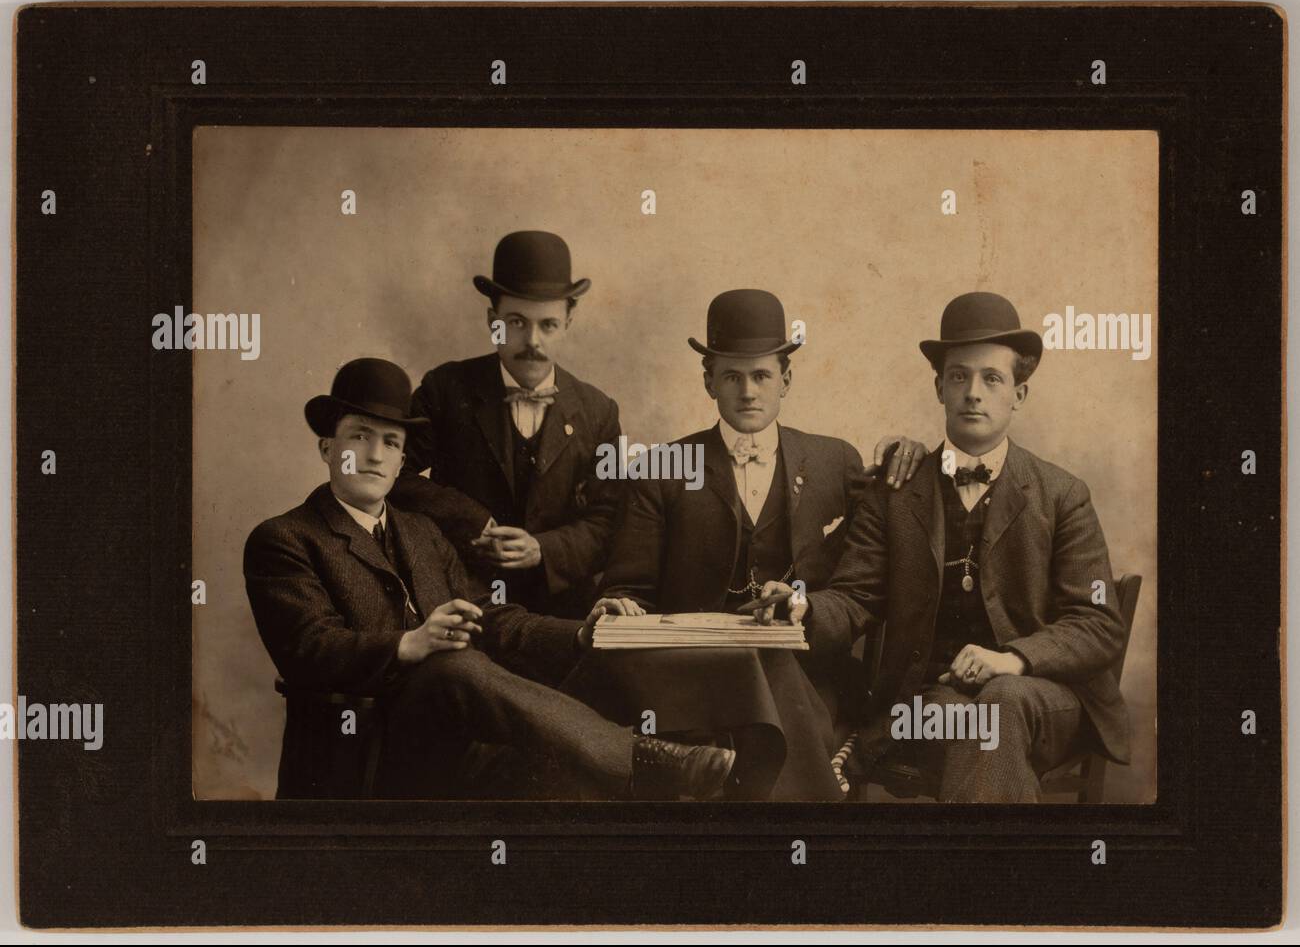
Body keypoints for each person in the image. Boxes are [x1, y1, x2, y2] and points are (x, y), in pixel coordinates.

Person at [244, 357, 733, 801]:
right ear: (327, 447)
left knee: (573, 772)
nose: (374, 454)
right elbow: (310, 650)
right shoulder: (286, 539)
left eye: (390, 442)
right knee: (455, 666)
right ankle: (644, 761)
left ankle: (653, 779)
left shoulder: (422, 532)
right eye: (359, 436)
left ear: (401, 462)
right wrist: (410, 644)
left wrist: (586, 630)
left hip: (458, 753)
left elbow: (495, 620)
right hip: (363, 758)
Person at [789, 292, 1129, 802]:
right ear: (939, 389)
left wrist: (1013, 659)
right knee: (966, 714)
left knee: (999, 702)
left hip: (1046, 698)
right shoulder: (897, 492)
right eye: (958, 376)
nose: (974, 392)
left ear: (1019, 394)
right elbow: (855, 597)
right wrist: (802, 606)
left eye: (992, 378)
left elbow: (1099, 623)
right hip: (931, 700)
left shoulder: (1062, 495)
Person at [590, 289, 926, 800]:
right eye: (731, 376)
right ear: (709, 382)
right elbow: (630, 587)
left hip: (807, 674)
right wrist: (623, 606)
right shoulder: (659, 469)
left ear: (785, 380)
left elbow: (874, 548)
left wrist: (913, 453)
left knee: (781, 707)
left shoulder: (836, 462)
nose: (747, 390)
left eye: (762, 375)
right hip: (696, 682)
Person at [390, 231, 621, 618]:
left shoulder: (597, 410)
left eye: (548, 325)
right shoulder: (446, 388)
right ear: (492, 321)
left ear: (568, 323)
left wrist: (544, 549)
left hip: (561, 612)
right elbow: (394, 472)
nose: (532, 341)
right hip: (460, 598)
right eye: (516, 322)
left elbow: (609, 518)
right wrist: (470, 519)